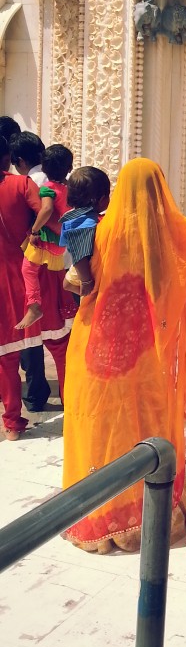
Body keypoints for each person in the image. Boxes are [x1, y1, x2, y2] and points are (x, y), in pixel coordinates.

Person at [62, 158, 186, 553]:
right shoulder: (173, 236)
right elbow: (174, 289)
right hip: (146, 355)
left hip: (98, 351)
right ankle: (150, 511)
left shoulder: (98, 231)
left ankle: (105, 516)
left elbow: (75, 281)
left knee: (102, 428)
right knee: (145, 425)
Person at [0, 136, 44, 439]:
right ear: (7, 158)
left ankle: (12, 422)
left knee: (5, 356)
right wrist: (32, 234)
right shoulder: (21, 184)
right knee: (56, 343)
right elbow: (46, 211)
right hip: (21, 276)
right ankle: (73, 407)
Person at [16, 144, 74, 330]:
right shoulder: (69, 190)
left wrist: (34, 230)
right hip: (60, 242)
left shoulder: (47, 189)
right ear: (70, 168)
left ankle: (34, 306)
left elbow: (47, 209)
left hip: (45, 239)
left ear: (44, 168)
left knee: (28, 269)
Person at [59, 166, 111, 298]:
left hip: (82, 267)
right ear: (101, 199)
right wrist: (86, 280)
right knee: (86, 293)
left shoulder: (76, 217)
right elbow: (79, 255)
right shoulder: (85, 224)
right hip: (85, 269)